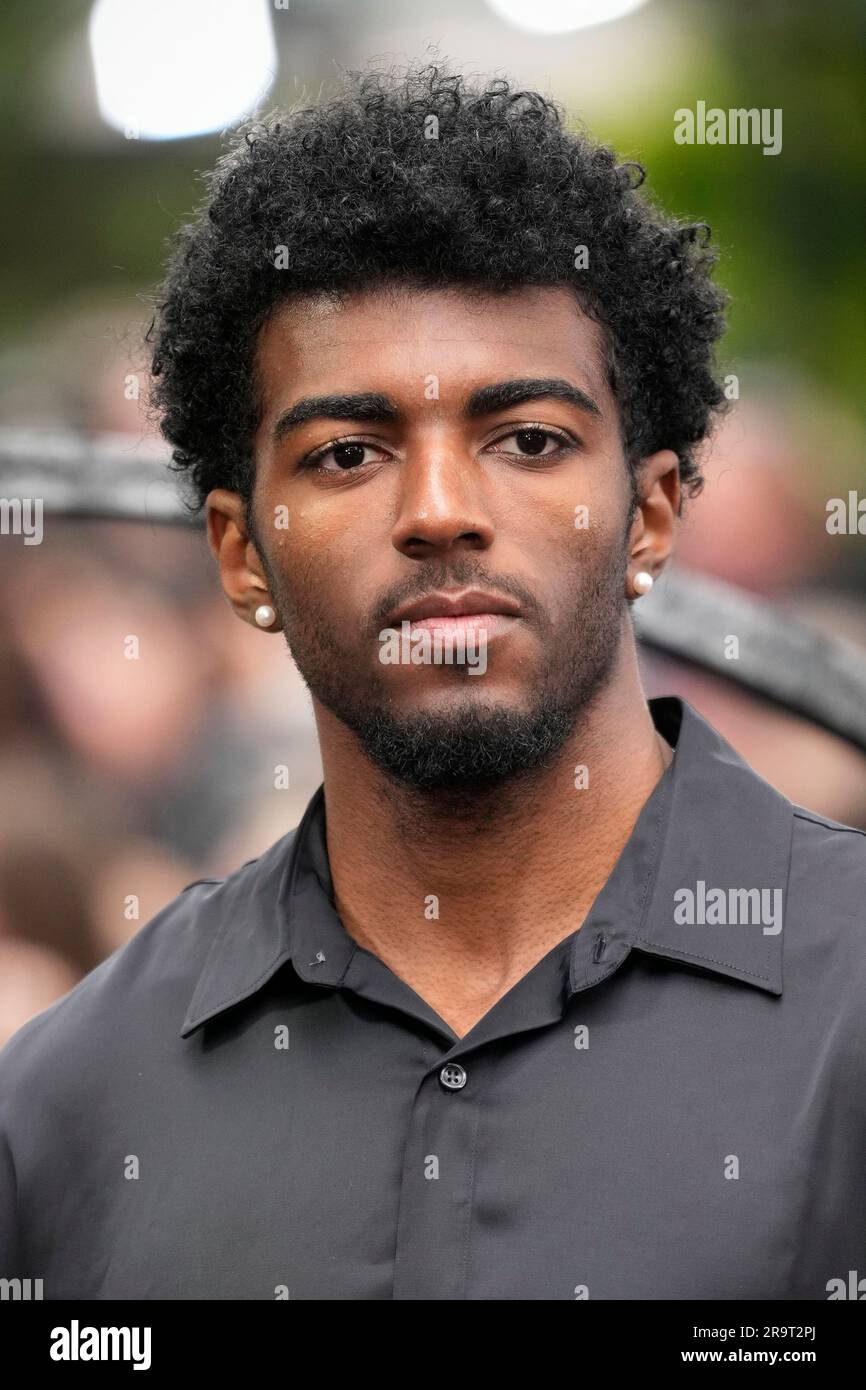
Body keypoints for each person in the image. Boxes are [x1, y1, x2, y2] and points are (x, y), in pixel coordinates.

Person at [1, 60, 864, 1302]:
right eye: (347, 452)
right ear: (242, 553)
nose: (441, 512)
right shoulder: (73, 1102)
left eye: (527, 439)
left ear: (651, 517)